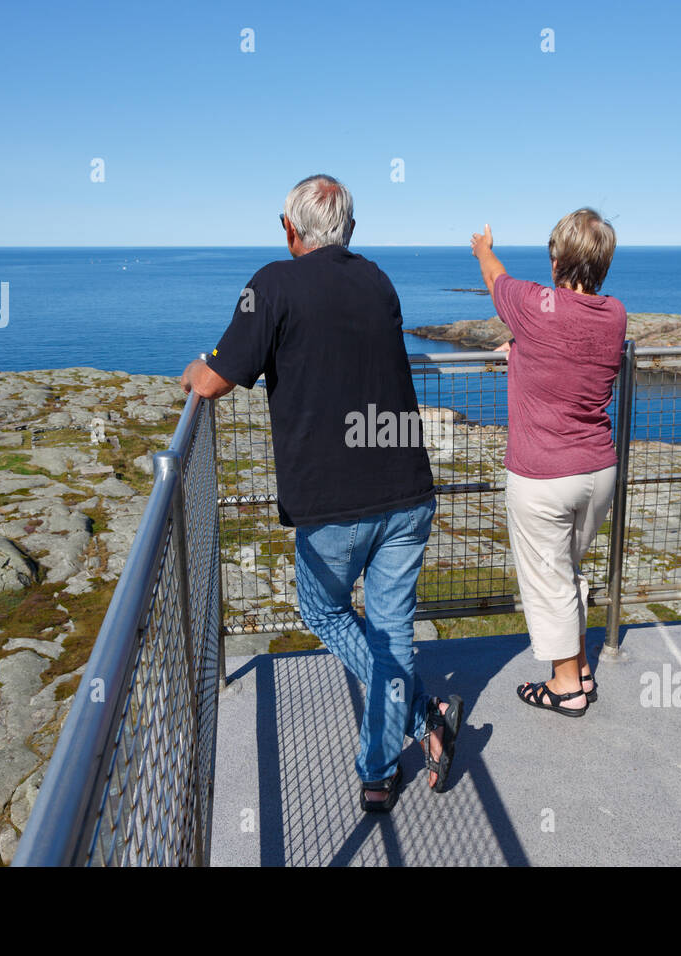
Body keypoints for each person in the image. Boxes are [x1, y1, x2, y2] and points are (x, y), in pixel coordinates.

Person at [182, 174, 463, 810]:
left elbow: (216, 379)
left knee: (324, 612)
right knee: (390, 633)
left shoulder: (273, 283)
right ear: (351, 230)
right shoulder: (379, 280)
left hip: (334, 503)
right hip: (407, 489)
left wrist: (195, 368)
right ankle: (384, 761)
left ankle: (421, 721)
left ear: (289, 231)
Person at [469, 210, 626, 717]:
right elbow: (570, 352)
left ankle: (566, 688)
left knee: (548, 581)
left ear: (555, 258)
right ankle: (578, 665)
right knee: (566, 570)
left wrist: (482, 248)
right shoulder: (615, 313)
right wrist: (521, 349)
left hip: (543, 475)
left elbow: (496, 277)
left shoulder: (535, 307)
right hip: (598, 471)